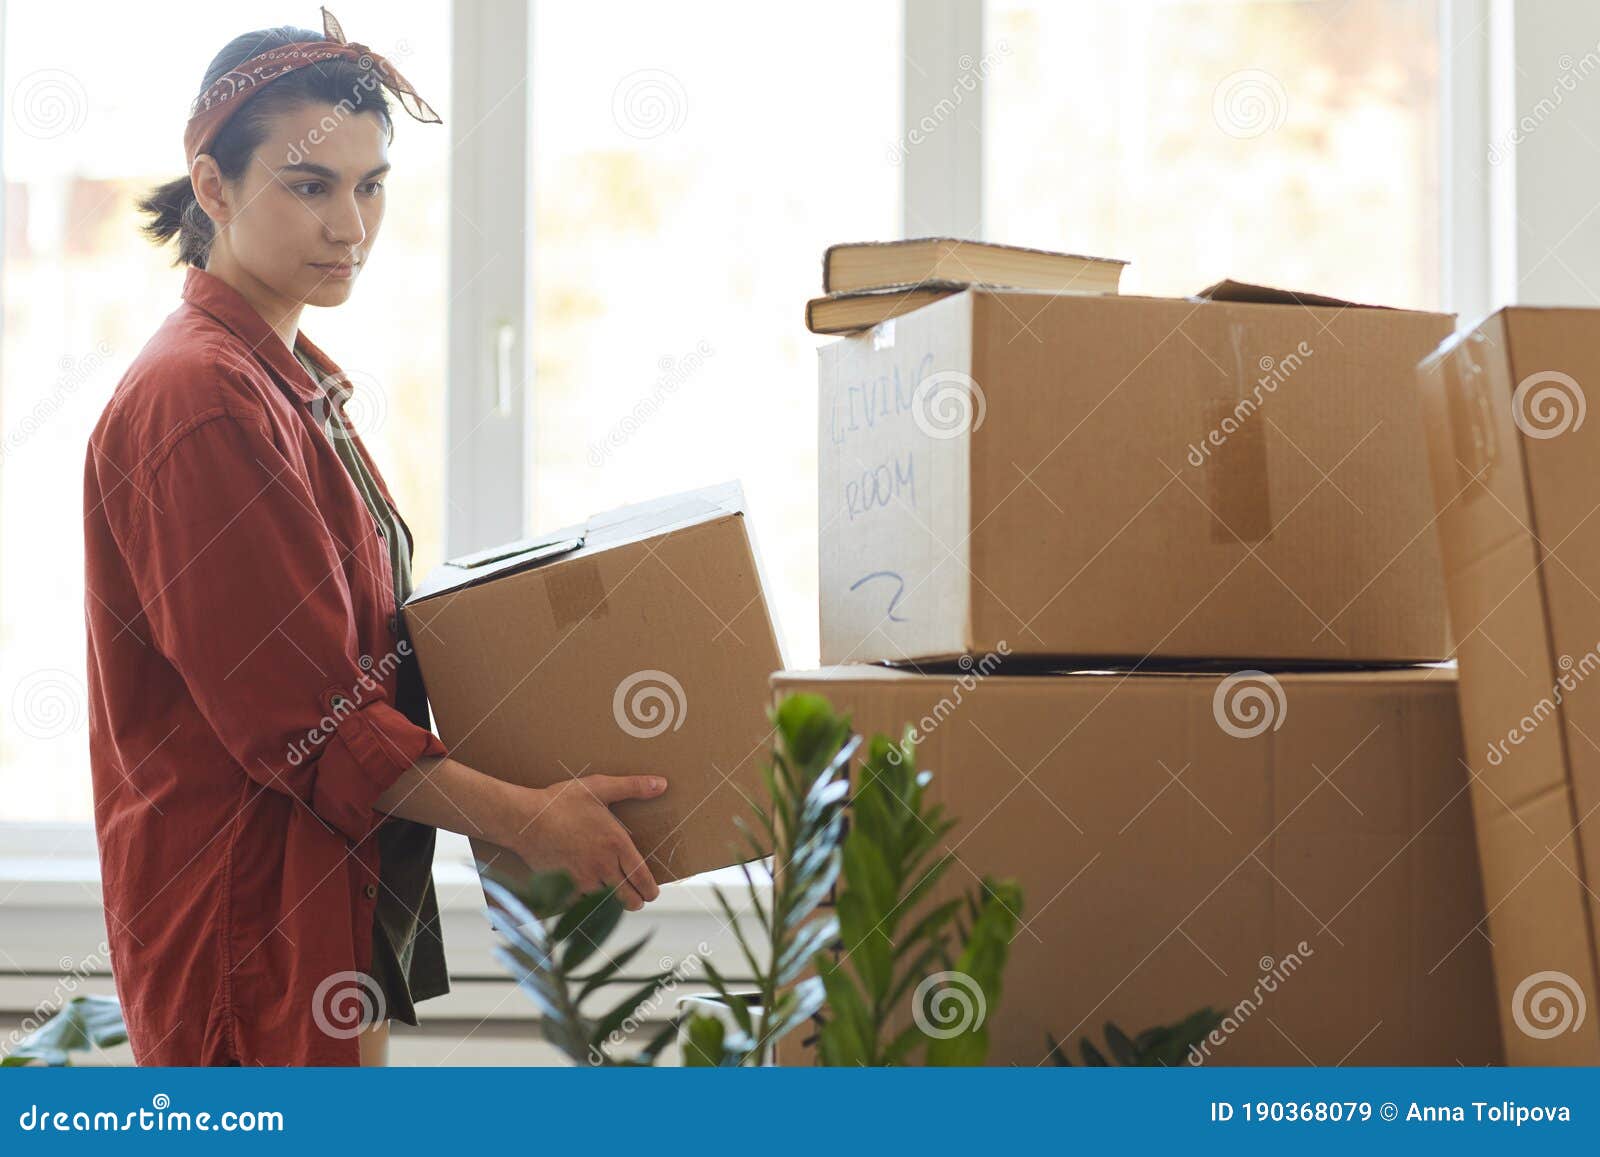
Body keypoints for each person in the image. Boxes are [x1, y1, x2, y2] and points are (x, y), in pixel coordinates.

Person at [82, 7, 665, 1068]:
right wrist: (531, 817)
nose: (350, 225)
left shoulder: (288, 386)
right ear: (212, 187)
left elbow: (358, 666)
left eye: (372, 183)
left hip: (321, 918)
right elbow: (315, 723)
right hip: (252, 941)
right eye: (310, 187)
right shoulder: (205, 400)